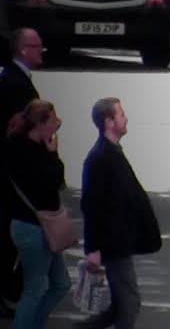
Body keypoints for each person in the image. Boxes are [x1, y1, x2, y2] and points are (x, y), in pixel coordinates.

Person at [78, 98, 162, 329]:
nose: (126, 119)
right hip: (113, 245)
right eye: (121, 115)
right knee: (129, 302)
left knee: (119, 306)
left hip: (120, 241)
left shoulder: (112, 152)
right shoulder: (99, 158)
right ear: (109, 121)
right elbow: (91, 206)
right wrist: (93, 249)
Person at [5, 99, 70, 329]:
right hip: (31, 228)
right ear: (40, 124)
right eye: (53, 121)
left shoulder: (33, 146)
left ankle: (33, 323)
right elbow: (56, 183)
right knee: (35, 288)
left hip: (43, 227)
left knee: (61, 283)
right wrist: (53, 154)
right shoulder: (24, 153)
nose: (57, 125)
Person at [0, 28, 43, 315]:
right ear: (22, 50)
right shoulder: (16, 85)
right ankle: (10, 293)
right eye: (36, 45)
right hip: (14, 176)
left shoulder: (14, 79)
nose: (42, 49)